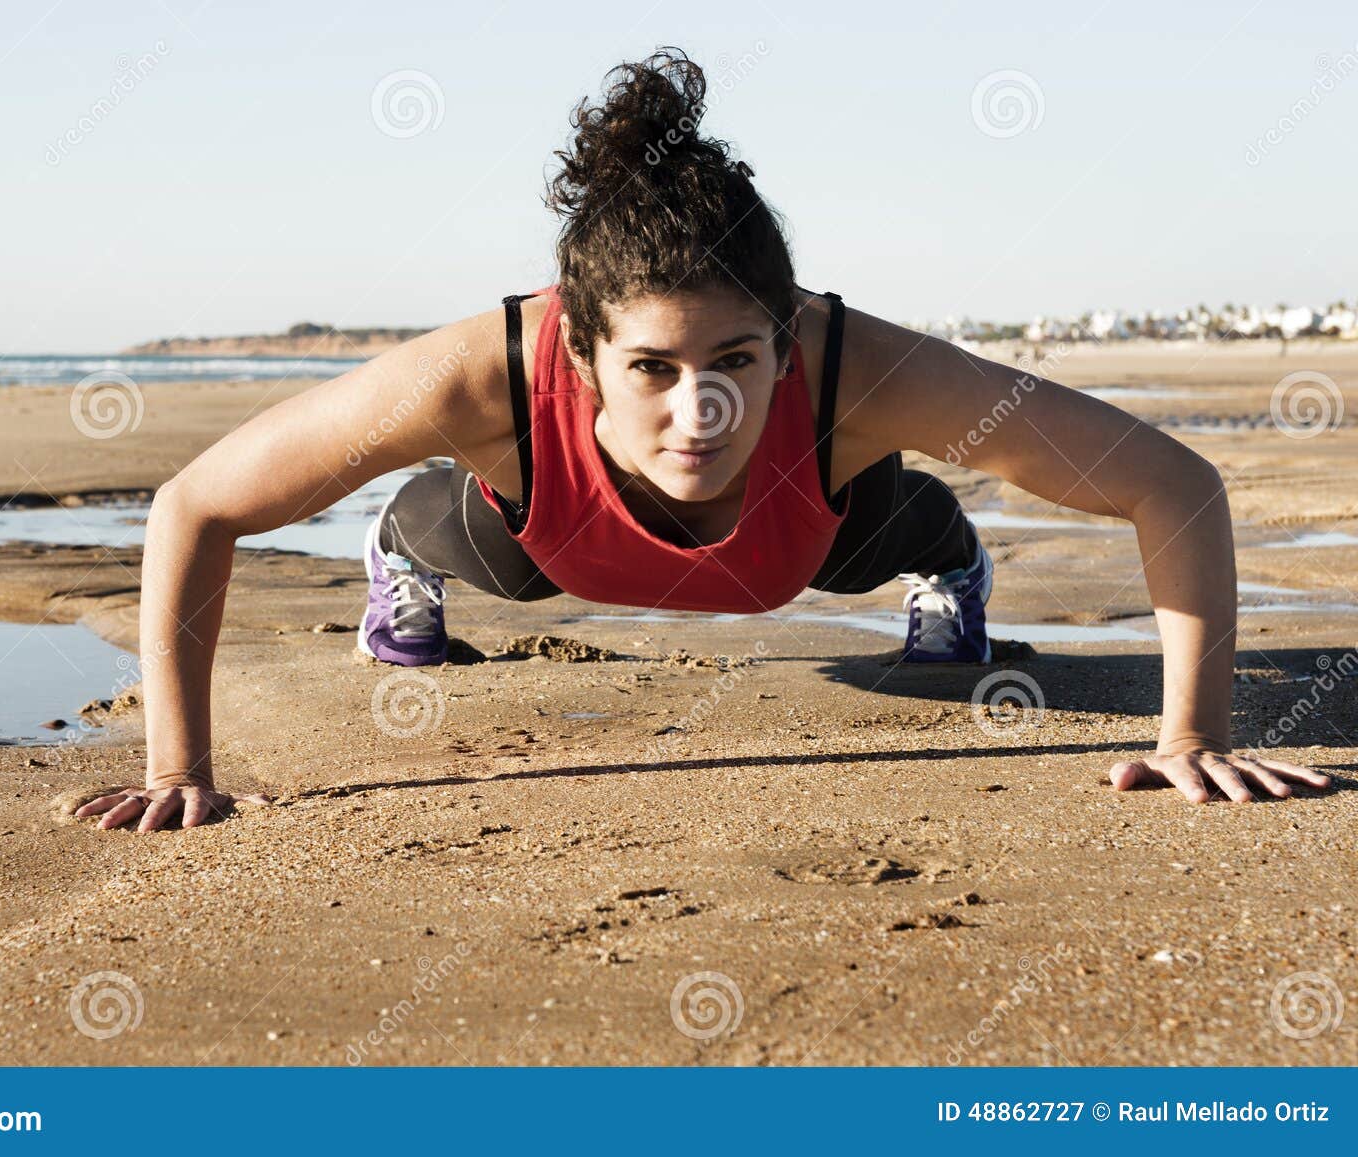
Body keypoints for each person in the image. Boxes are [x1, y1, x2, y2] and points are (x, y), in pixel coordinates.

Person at [76, 48, 1331, 833]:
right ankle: (400, 564)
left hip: (805, 541)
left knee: (892, 522)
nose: (701, 412)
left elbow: (1171, 483)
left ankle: (951, 572)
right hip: (549, 540)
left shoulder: (856, 368)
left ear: (785, 338)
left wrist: (1192, 735)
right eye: (652, 370)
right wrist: (180, 764)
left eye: (735, 361)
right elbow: (196, 504)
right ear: (581, 355)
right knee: (474, 538)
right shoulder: (481, 377)